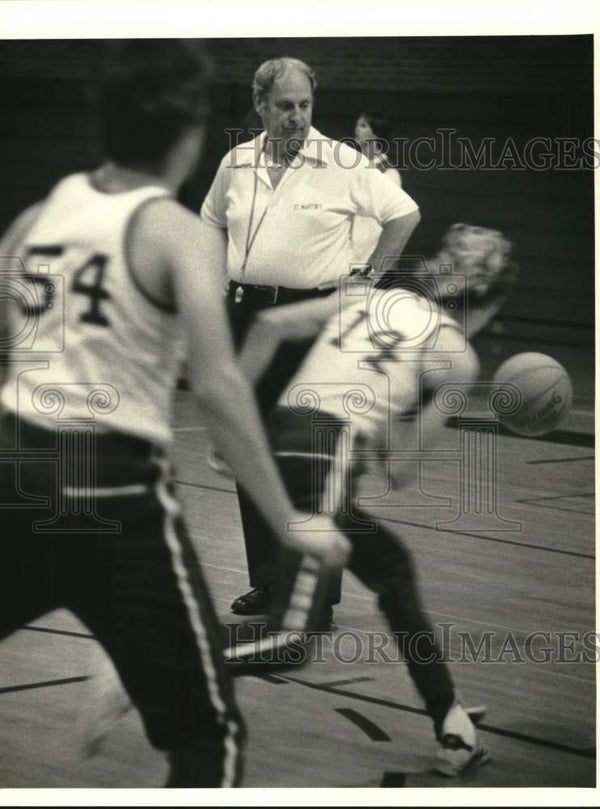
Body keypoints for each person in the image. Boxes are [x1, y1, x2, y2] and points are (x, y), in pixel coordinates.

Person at [0, 40, 348, 788]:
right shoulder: (179, 234)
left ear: (101, 119)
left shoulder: (37, 214)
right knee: (209, 734)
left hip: (14, 468)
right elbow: (220, 390)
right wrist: (291, 524)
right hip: (114, 490)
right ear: (191, 131)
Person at [237, 222, 517, 776]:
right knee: (292, 641)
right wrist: (409, 408)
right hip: (327, 453)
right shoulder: (458, 357)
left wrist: (235, 426)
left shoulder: (369, 295)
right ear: (487, 304)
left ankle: (451, 726)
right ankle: (152, 661)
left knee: (390, 568)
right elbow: (400, 470)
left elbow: (268, 324)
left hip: (280, 437)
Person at [200, 56, 421, 619]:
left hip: (308, 324)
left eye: (305, 106)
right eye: (284, 107)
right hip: (245, 318)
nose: (297, 117)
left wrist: (368, 277)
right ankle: (271, 583)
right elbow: (209, 227)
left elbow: (404, 213)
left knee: (306, 465)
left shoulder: (343, 162)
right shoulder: (236, 161)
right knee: (250, 455)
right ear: (260, 106)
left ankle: (314, 595)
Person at [352, 111, 403, 265]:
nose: (356, 129)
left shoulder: (388, 175)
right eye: (357, 125)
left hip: (368, 256)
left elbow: (389, 224)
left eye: (363, 126)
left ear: (375, 134)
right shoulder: (353, 167)